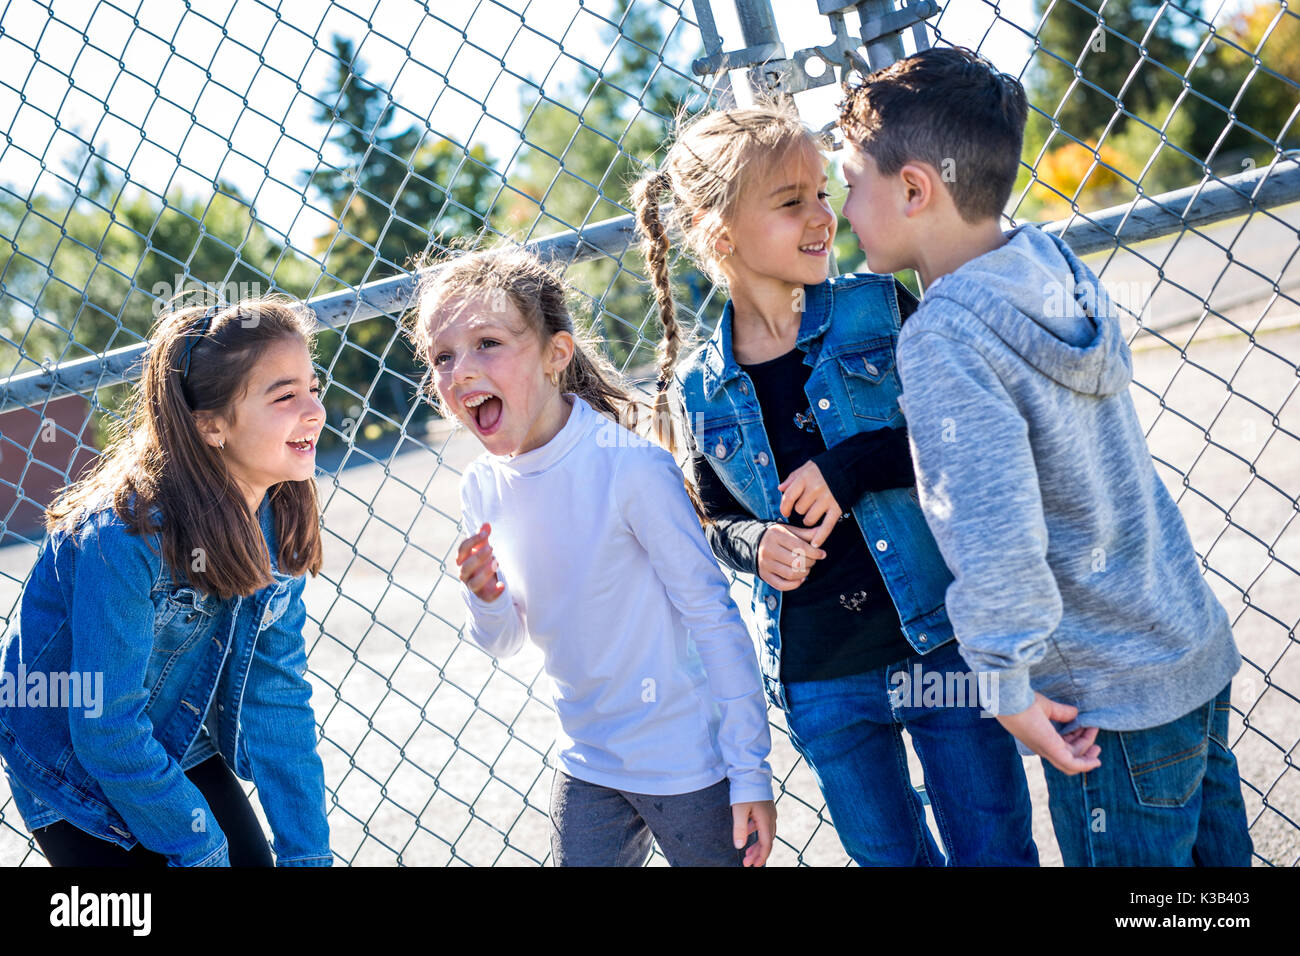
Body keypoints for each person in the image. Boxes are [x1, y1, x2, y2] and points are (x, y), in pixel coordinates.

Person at [839, 45, 1252, 866]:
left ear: (915, 188)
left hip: (1107, 704)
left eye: (852, 183)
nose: (843, 207)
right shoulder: (1048, 262)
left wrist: (1003, 681)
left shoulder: (945, 338)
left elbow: (993, 526)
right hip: (1188, 651)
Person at [634, 104, 1037, 866]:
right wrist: (759, 546)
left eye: (824, 192)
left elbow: (958, 433)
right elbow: (715, 518)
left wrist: (848, 466)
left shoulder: (878, 310)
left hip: (935, 652)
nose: (824, 217)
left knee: (993, 849)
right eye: (793, 203)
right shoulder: (701, 388)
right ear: (721, 237)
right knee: (888, 858)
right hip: (824, 679)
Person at [409, 245, 775, 867]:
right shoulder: (480, 486)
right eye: (442, 357)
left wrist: (750, 771)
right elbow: (503, 642)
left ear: (557, 354)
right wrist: (487, 597)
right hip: (588, 761)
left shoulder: (631, 469)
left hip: (685, 760)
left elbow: (714, 618)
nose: (461, 371)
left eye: (487, 343)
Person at [0, 297, 332, 867]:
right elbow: (104, 729)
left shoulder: (276, 517)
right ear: (211, 426)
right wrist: (203, 854)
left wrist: (309, 858)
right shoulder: (125, 535)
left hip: (173, 729)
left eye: (313, 386)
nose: (315, 409)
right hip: (71, 763)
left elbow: (276, 698)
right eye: (285, 395)